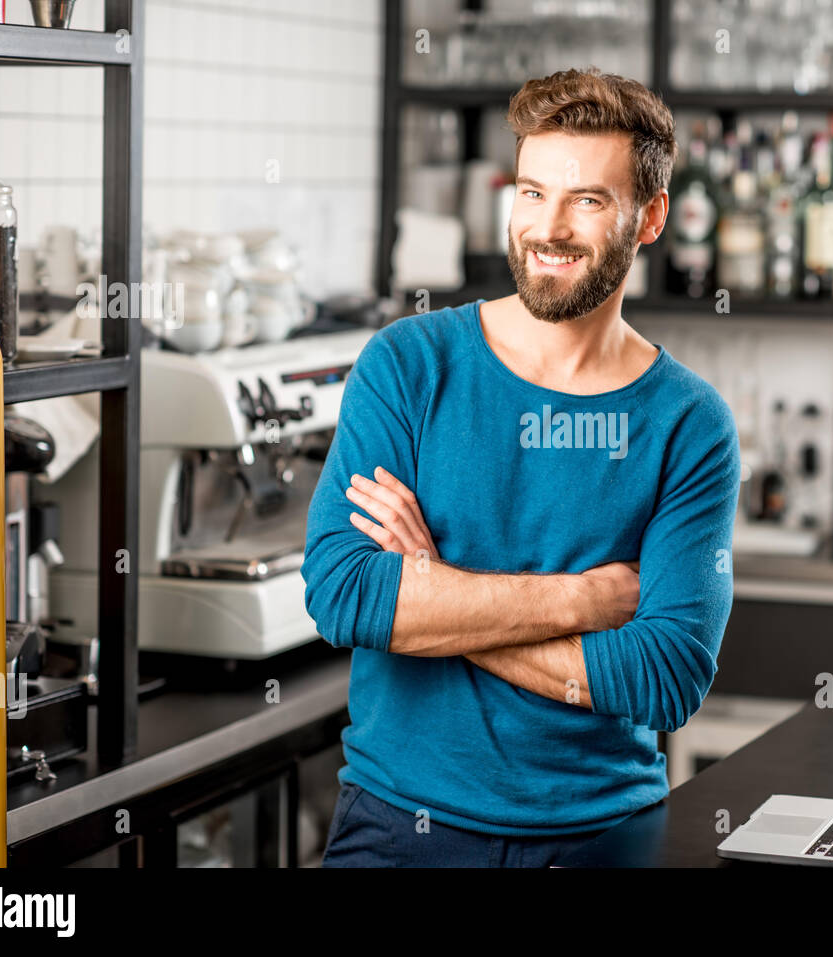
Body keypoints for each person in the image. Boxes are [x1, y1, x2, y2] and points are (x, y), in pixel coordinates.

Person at [302, 66, 741, 867]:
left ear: (650, 218)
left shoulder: (689, 423)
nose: (550, 228)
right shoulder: (409, 363)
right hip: (401, 828)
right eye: (533, 193)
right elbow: (342, 592)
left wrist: (436, 595)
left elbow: (666, 675)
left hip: (602, 836)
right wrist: (582, 598)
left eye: (588, 200)